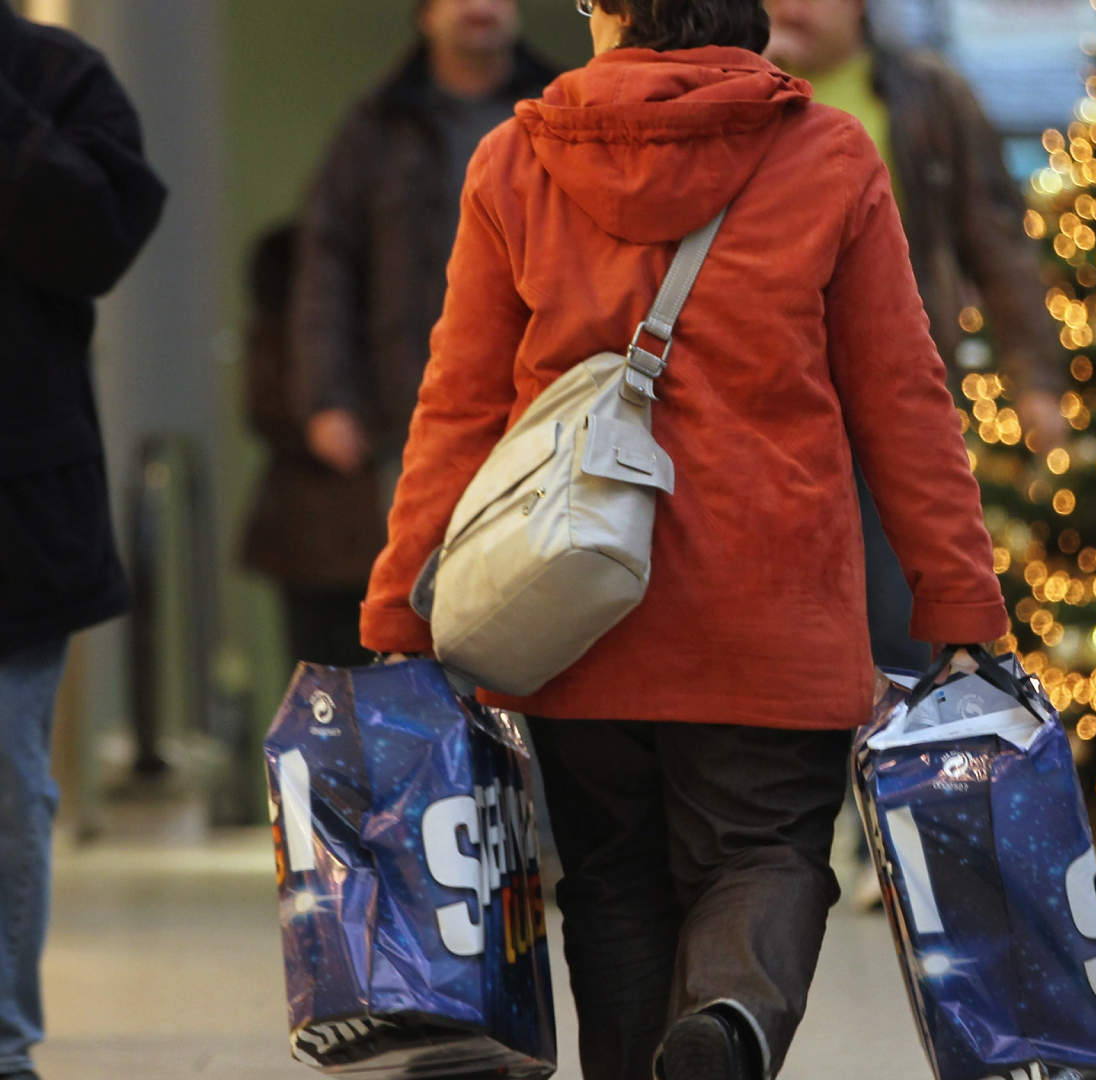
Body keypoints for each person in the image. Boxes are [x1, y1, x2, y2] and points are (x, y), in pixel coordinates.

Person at [358, 2, 1009, 1078]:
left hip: (569, 603)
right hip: (771, 607)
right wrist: (959, 600)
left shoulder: (517, 160)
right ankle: (731, 1019)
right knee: (766, 850)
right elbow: (903, 397)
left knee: (610, 882)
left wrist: (400, 611)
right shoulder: (828, 153)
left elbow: (459, 406)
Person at [763, 0, 1061, 671]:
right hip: (767, 414)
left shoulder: (927, 95)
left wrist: (1036, 382)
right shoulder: (738, 94)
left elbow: (998, 244)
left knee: (899, 632)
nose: (791, 6)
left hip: (893, 407)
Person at [0, 7, 167, 1080]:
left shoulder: (59, 78)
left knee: (5, 788)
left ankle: (2, 1044)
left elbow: (95, 240)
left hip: (15, 511)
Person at [291, 0, 556, 505]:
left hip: (546, 399)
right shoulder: (377, 123)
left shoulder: (563, 110)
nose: (481, 5)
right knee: (425, 554)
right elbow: (328, 263)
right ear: (426, 14)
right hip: (413, 404)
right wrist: (328, 396)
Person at [238, 225, 386, 668]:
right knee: (338, 668)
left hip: (322, 525)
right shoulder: (346, 328)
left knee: (328, 670)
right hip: (326, 525)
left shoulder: (289, 329)